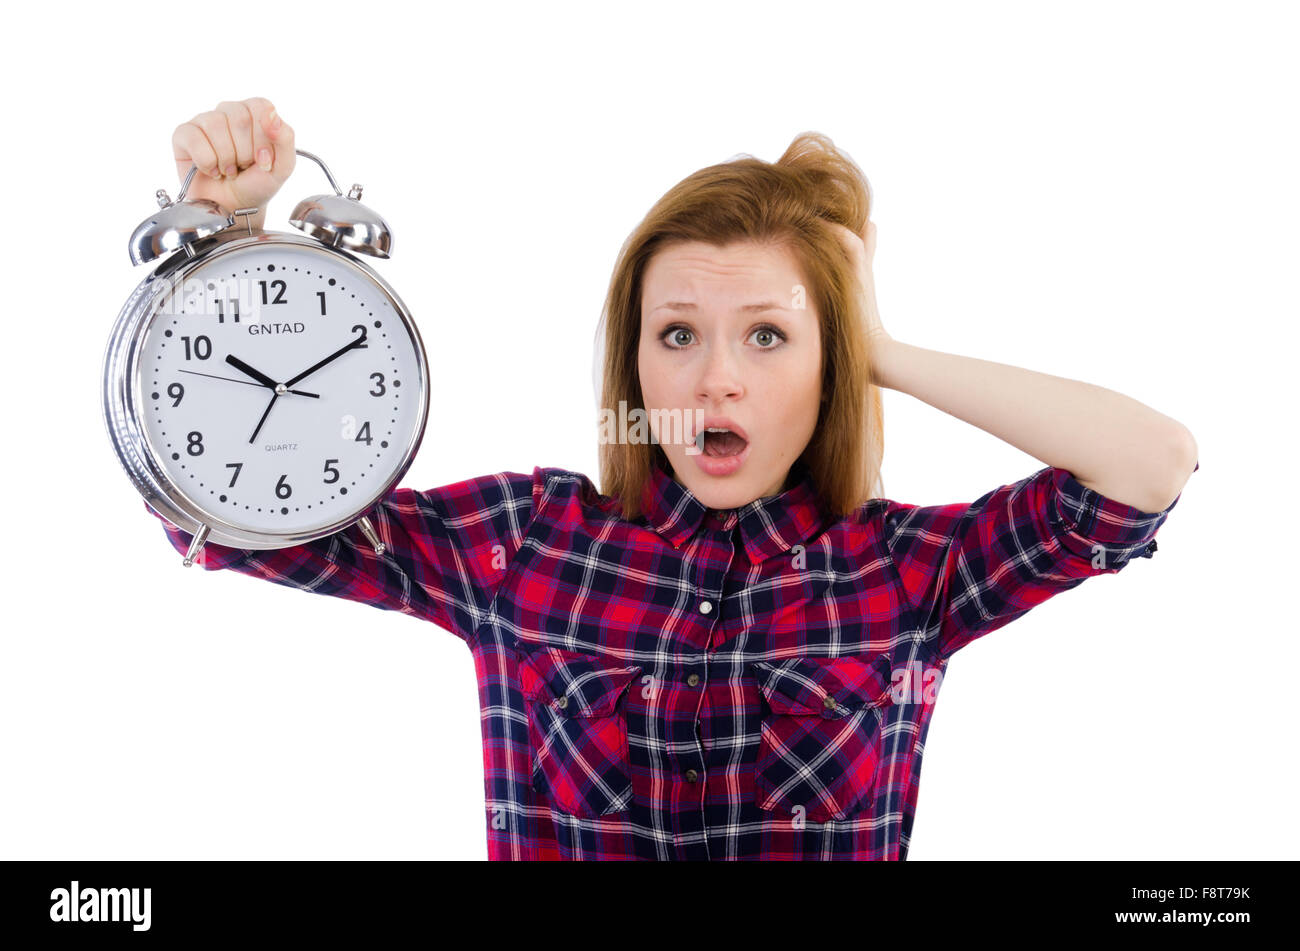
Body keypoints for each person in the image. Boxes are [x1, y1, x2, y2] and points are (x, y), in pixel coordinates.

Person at [144, 96, 1200, 860]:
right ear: (635, 361)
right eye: (679, 333)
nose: (716, 382)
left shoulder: (906, 571)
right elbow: (226, 519)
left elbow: (1148, 465)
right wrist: (226, 241)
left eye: (771, 338)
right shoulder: (527, 539)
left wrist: (877, 346)